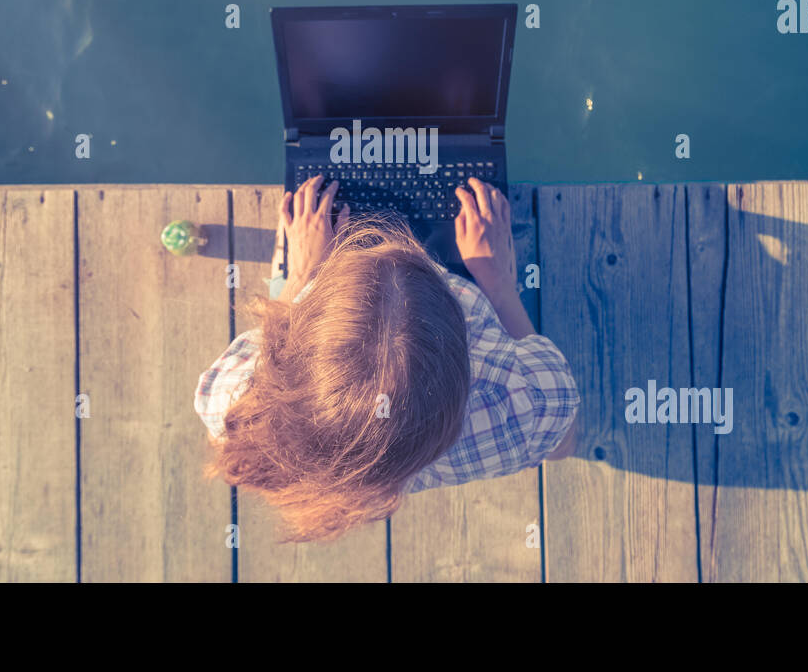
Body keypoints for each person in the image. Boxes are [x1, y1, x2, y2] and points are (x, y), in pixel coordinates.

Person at [194, 175, 579, 542]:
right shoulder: (525, 401)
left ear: (289, 347)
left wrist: (299, 278)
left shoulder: (234, 404)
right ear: (465, 359)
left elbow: (262, 354)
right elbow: (562, 446)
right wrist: (498, 284)